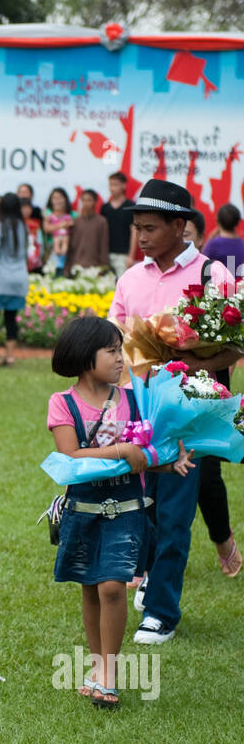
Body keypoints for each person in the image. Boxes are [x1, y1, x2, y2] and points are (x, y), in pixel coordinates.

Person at [108, 178, 243, 643]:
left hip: (191, 416)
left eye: (150, 228)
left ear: (180, 226)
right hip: (140, 413)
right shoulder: (130, 279)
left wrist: (190, 364)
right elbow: (115, 342)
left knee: (175, 514)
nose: (141, 237)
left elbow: (234, 348)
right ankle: (147, 579)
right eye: (138, 228)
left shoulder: (213, 277)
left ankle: (161, 612)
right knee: (139, 506)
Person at [48, 315, 193, 707]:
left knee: (112, 586)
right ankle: (98, 664)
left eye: (120, 350)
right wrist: (120, 450)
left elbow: (145, 456)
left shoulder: (134, 399)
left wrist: (168, 460)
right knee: (90, 587)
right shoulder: (62, 404)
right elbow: (70, 457)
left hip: (127, 510)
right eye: (110, 351)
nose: (120, 358)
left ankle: (108, 674)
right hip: (83, 509)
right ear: (82, 357)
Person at [183, 213, 242, 577]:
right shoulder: (141, 276)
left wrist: (208, 362)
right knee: (152, 473)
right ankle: (143, 562)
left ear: (201, 238)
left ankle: (223, 540)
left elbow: (236, 340)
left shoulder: (214, 276)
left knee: (205, 473)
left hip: (209, 389)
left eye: (188, 236)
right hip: (158, 389)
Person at [0, 192, 29, 367]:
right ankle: (10, 356)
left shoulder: (0, 226)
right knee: (11, 318)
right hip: (19, 279)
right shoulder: (23, 227)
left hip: (0, 279)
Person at [66, 189, 109, 273]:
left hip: (94, 267)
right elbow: (71, 246)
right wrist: (68, 267)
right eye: (84, 200)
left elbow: (104, 246)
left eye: (89, 200)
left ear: (95, 202)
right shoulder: (75, 221)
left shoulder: (101, 221)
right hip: (76, 266)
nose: (86, 203)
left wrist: (103, 268)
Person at [101, 171, 135, 277]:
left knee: (122, 284)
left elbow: (134, 232)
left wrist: (131, 255)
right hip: (106, 254)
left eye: (115, 185)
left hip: (123, 255)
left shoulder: (131, 206)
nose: (112, 188)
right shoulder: (105, 208)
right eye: (110, 185)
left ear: (124, 186)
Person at [204, 203, 244, 278]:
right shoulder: (240, 242)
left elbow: (203, 263)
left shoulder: (214, 244)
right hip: (236, 286)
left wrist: (209, 238)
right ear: (237, 222)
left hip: (219, 287)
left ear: (218, 220)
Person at [44, 187, 74, 275]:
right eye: (54, 198)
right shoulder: (48, 214)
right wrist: (61, 225)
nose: (58, 201)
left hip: (69, 253)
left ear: (65, 199)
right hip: (51, 251)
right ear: (50, 200)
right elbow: (46, 229)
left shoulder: (72, 214)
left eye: (60, 197)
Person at [20, 196, 45, 272]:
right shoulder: (16, 224)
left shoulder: (36, 223)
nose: (26, 211)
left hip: (35, 258)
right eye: (23, 208)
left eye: (28, 208)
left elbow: (40, 241)